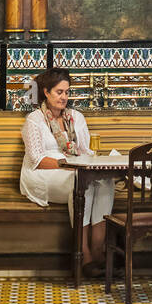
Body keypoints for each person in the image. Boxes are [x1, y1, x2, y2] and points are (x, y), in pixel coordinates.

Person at [19, 68, 114, 276]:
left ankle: (99, 248)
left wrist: (84, 162)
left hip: (74, 169)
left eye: (67, 92)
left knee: (105, 181)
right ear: (46, 92)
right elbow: (37, 159)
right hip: (41, 174)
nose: (64, 97)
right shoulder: (34, 120)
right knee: (80, 182)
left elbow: (85, 151)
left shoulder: (76, 118)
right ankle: (84, 254)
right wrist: (68, 165)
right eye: (59, 92)